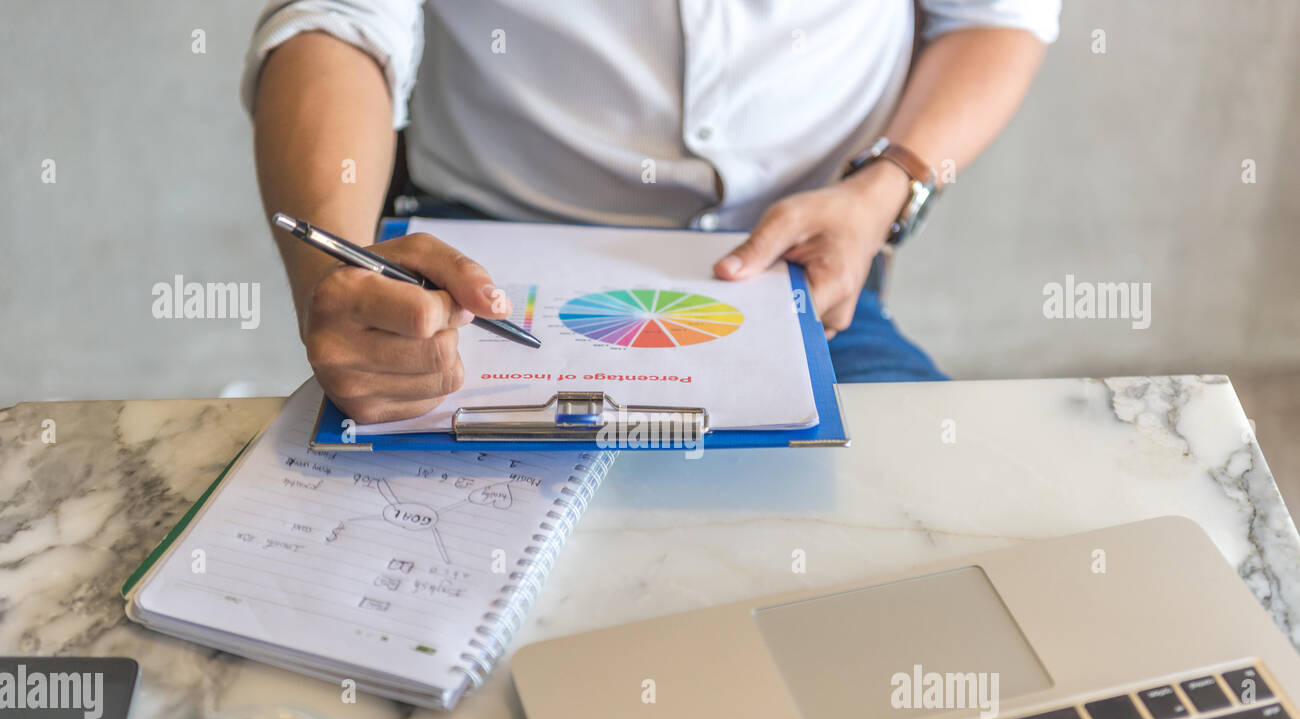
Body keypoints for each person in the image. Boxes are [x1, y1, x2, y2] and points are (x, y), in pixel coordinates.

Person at [244, 1, 1059, 424]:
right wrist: (339, 271)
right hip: (487, 283)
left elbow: (994, 17)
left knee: (927, 535)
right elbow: (335, 23)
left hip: (803, 274)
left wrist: (889, 188)